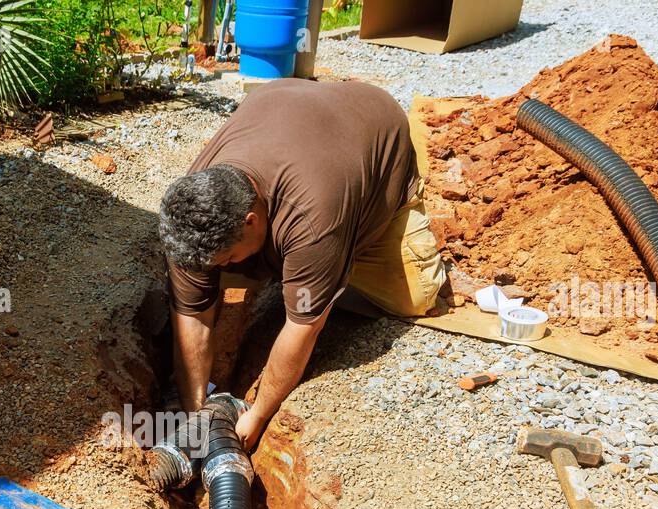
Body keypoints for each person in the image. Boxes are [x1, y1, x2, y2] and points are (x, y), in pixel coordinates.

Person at [160, 78, 447, 449]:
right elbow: (192, 316)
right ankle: (301, 271)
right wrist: (195, 412)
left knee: (415, 298)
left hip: (375, 144)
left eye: (227, 258)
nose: (222, 267)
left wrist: (258, 415)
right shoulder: (194, 209)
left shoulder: (313, 219)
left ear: (251, 221)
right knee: (227, 271)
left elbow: (303, 328)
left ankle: (334, 267)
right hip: (288, 109)